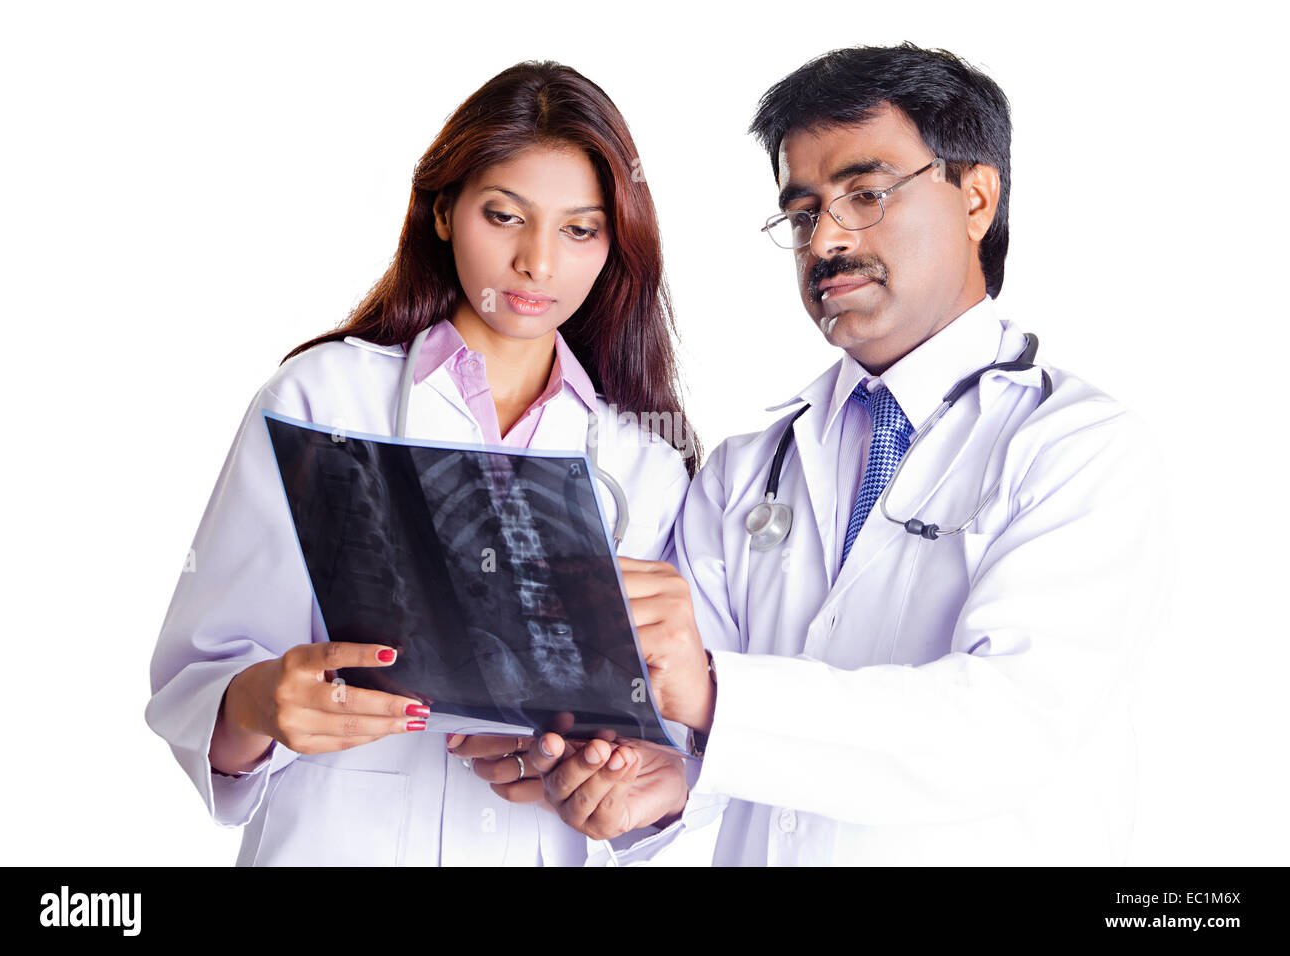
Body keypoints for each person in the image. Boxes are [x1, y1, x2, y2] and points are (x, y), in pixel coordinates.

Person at [523, 43, 1170, 865]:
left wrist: (716, 694)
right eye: (802, 212)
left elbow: (1009, 725)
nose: (825, 239)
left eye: (865, 194)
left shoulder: (1077, 448)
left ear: (976, 197)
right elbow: (694, 734)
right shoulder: (743, 469)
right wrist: (643, 782)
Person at [145, 60, 699, 866]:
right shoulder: (322, 398)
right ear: (443, 212)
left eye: (579, 229)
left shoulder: (644, 461)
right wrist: (265, 703)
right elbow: (200, 687)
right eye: (504, 216)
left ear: (615, 245)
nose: (538, 264)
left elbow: (667, 761)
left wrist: (605, 773)